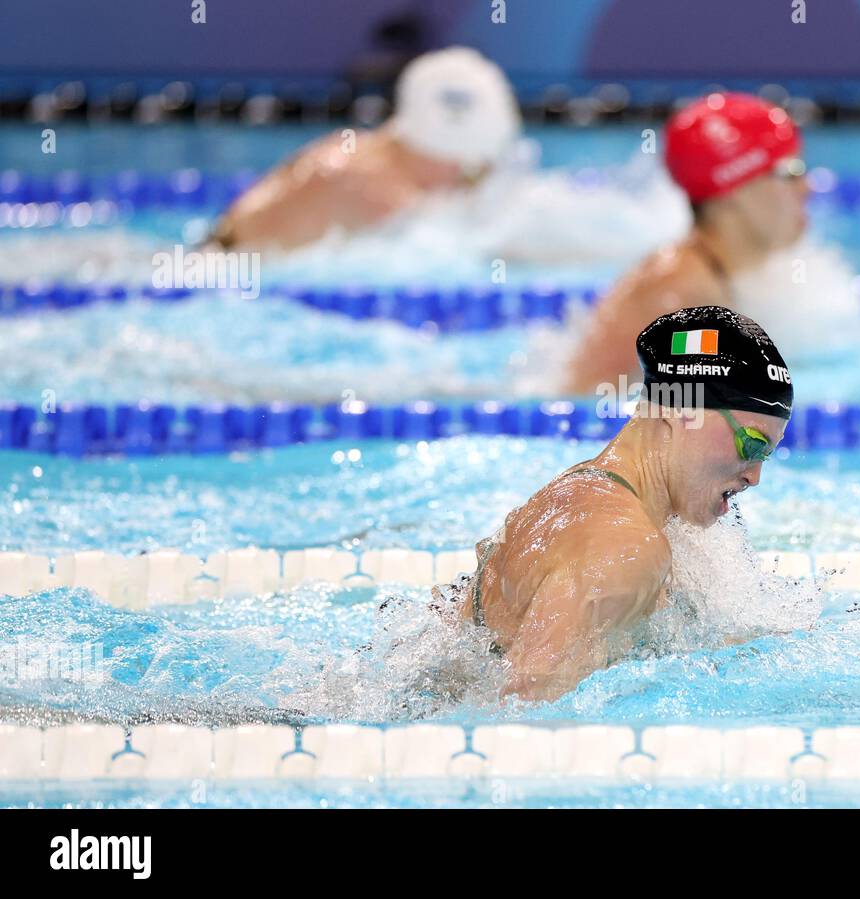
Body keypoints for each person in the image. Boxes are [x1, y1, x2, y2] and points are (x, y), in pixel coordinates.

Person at [465, 306, 793, 701]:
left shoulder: (587, 493)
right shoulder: (622, 545)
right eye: (752, 444)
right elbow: (523, 714)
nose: (754, 476)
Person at [562, 92, 809, 393]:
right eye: (790, 172)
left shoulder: (713, 274)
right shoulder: (679, 294)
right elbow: (592, 401)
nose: (806, 188)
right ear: (735, 186)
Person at [207, 47, 520, 251]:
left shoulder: (355, 146)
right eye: (472, 175)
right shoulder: (382, 195)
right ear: (448, 156)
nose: (461, 188)